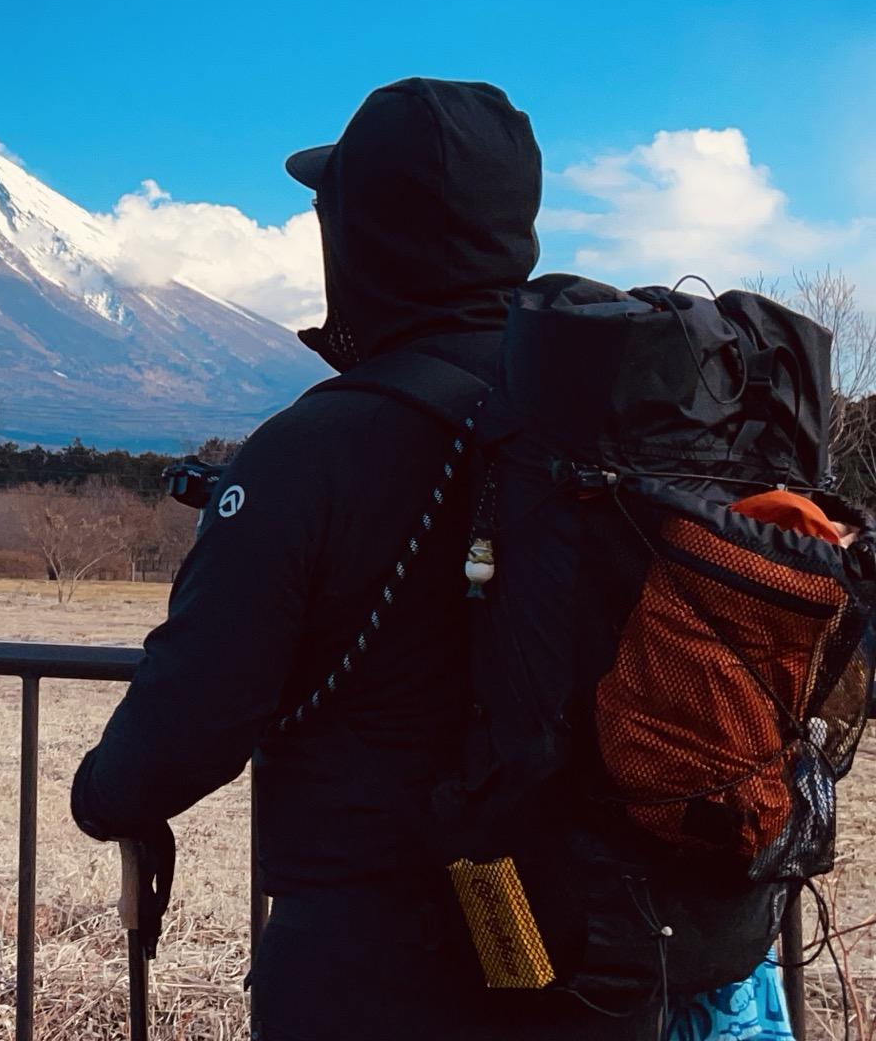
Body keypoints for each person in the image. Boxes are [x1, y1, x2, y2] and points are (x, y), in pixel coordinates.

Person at [70, 78, 654, 1038]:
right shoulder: (610, 421)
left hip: (379, 959)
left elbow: (193, 713)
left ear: (360, 237)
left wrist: (103, 795)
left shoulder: (313, 448)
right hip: (616, 952)